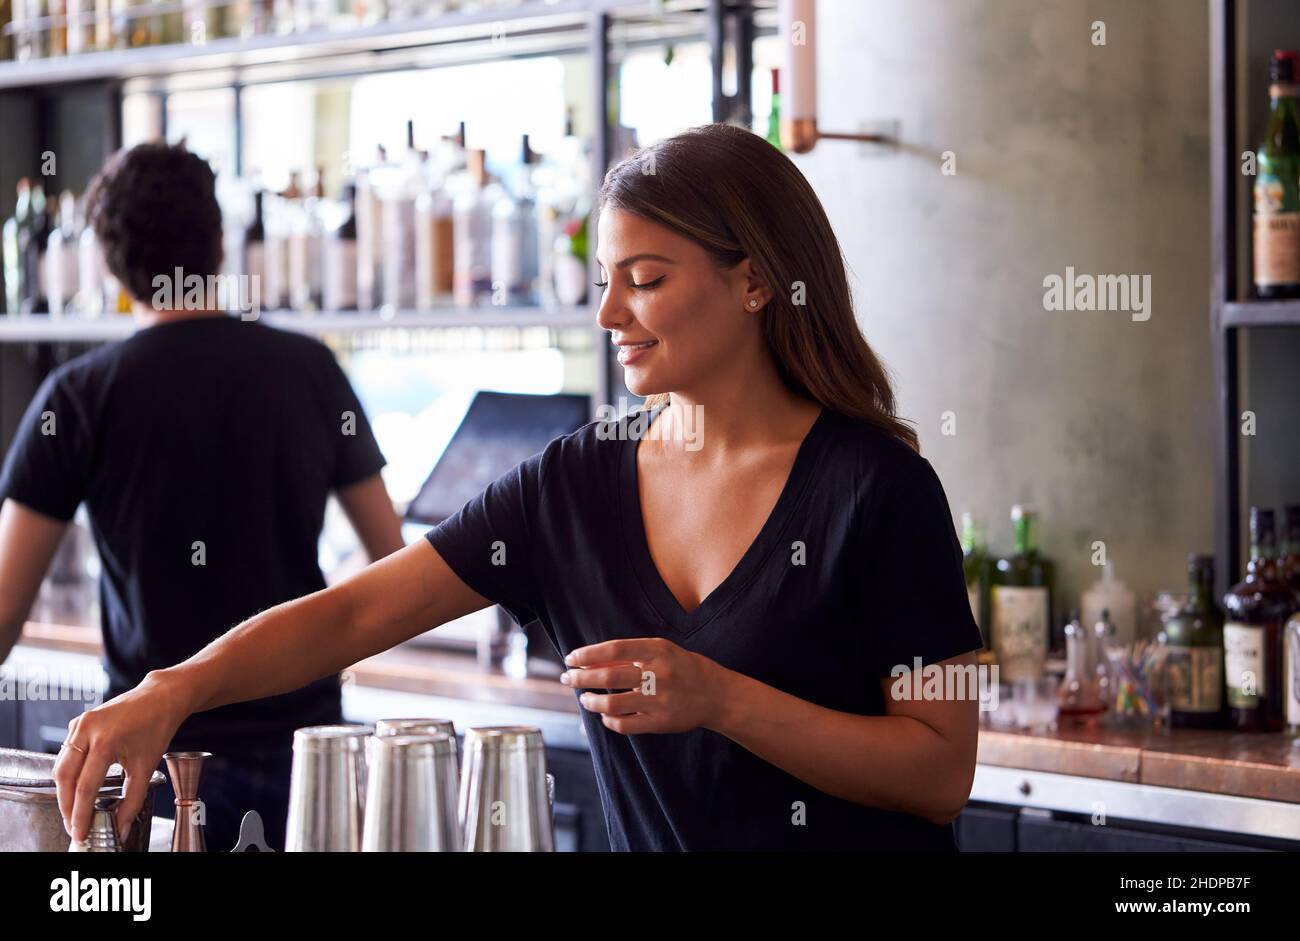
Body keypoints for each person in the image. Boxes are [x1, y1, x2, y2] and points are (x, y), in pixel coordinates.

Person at [55, 124, 981, 852]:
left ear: (753, 283)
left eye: (646, 280)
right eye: (605, 280)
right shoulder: (574, 484)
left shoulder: (881, 490)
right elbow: (346, 619)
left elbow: (940, 770)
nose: (610, 313)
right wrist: (170, 690)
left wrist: (723, 697)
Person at [0, 142, 404, 852]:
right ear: (219, 244)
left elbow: (3, 612)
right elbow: (390, 562)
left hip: (148, 763)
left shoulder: (80, 396)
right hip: (305, 760)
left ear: (108, 260)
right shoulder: (309, 370)